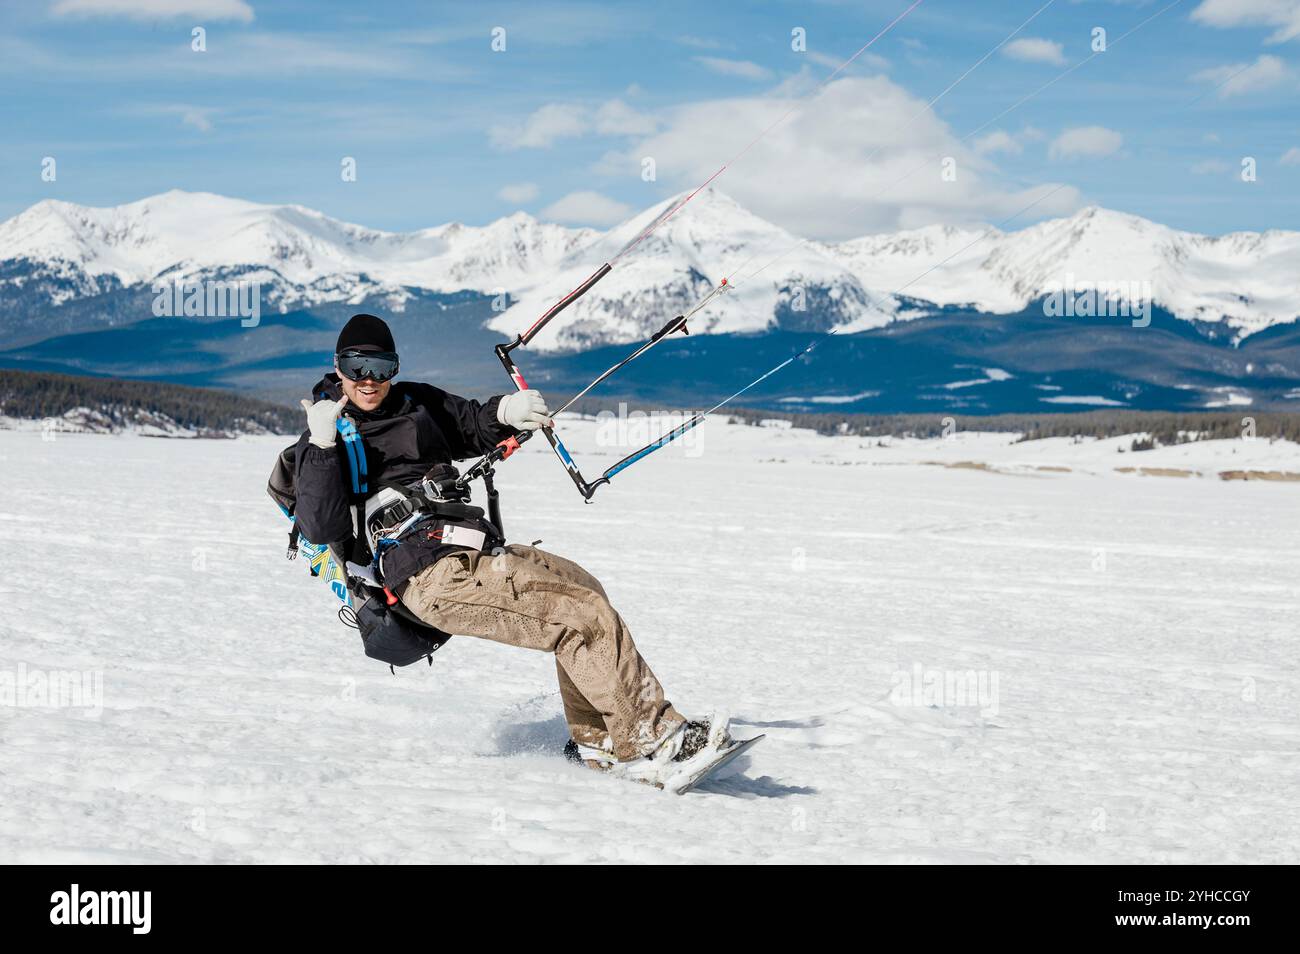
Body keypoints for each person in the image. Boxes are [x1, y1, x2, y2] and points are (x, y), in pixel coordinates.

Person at [293, 313, 708, 774]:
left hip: (469, 549)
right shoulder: (325, 435)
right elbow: (319, 525)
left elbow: (469, 423)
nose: (369, 381)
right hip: (424, 573)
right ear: (337, 365)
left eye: (382, 367)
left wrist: (504, 412)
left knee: (584, 587)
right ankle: (653, 739)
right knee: (579, 616)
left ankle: (600, 740)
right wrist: (321, 445)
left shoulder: (416, 403)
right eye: (356, 367)